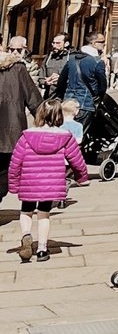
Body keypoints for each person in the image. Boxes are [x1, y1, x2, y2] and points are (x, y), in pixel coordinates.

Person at [8, 100, 88, 262]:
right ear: (59, 116)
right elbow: (77, 161)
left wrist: (14, 184)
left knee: (26, 211)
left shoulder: (27, 136)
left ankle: (26, 235)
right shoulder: (65, 137)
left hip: (29, 182)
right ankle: (42, 249)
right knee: (44, 214)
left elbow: (15, 163)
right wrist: (81, 177)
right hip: (51, 183)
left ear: (40, 115)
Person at [0, 34, 42, 200]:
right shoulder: (17, 68)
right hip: (11, 128)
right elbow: (33, 99)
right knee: (4, 168)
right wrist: (46, 122)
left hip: (10, 128)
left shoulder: (18, 67)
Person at [57, 39, 107, 122]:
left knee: (65, 127)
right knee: (80, 129)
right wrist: (97, 98)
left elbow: (61, 82)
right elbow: (102, 86)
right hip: (86, 103)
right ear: (94, 44)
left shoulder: (71, 59)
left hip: (67, 102)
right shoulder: (97, 62)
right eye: (102, 42)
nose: (104, 44)